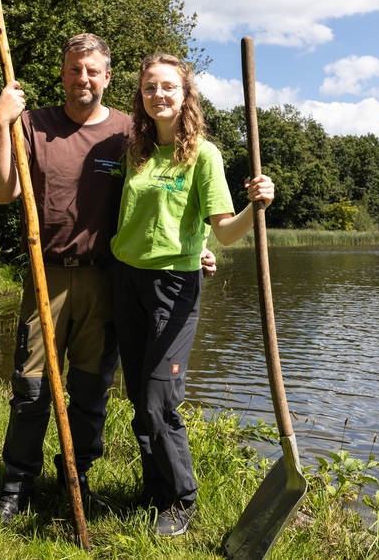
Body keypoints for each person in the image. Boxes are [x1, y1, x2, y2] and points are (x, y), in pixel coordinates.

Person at [0, 34, 215, 525]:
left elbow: (167, 193)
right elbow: (3, 192)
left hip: (109, 281)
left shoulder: (132, 133)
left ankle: (77, 481)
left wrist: (195, 243)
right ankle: (15, 488)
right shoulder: (32, 123)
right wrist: (1, 121)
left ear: (108, 78)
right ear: (63, 73)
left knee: (90, 392)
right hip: (46, 277)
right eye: (74, 69)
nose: (82, 78)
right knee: (30, 391)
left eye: (92, 71)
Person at [109, 53, 275, 537]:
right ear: (140, 97)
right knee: (140, 398)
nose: (157, 94)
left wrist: (255, 205)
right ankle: (153, 491)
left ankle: (182, 499)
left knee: (161, 398)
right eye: (148, 88)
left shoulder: (203, 155)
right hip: (127, 279)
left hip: (174, 287)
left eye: (167, 87)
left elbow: (223, 232)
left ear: (185, 96)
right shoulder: (135, 151)